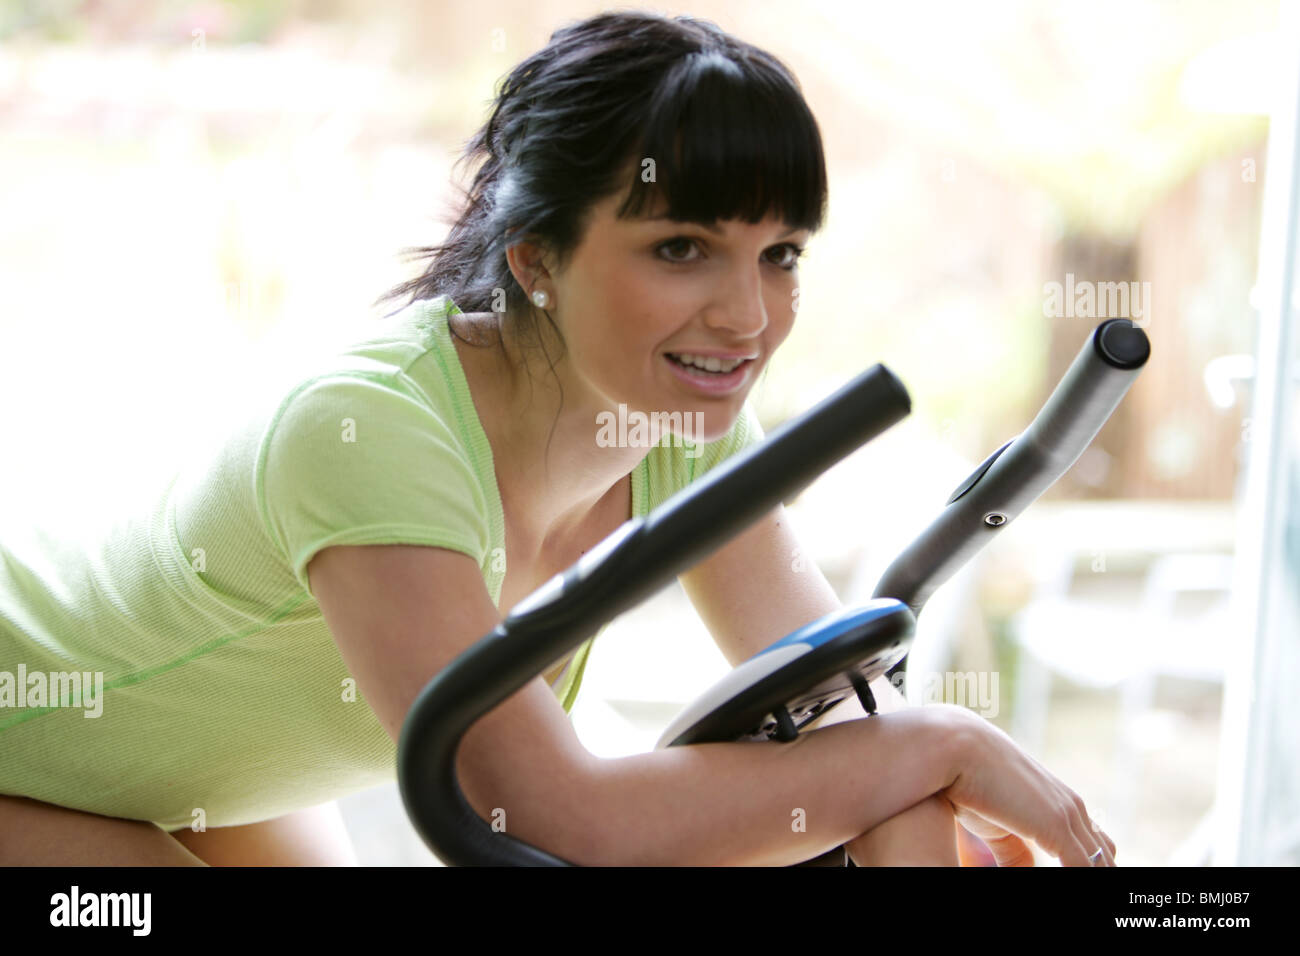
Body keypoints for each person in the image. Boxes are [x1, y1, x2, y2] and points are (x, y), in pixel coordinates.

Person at [0, 10, 1115, 867]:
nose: (748, 316)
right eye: (681, 248)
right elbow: (550, 811)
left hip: (197, 767)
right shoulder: (371, 434)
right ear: (533, 257)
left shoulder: (681, 420)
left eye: (779, 253)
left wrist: (917, 785)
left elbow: (833, 712)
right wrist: (944, 747)